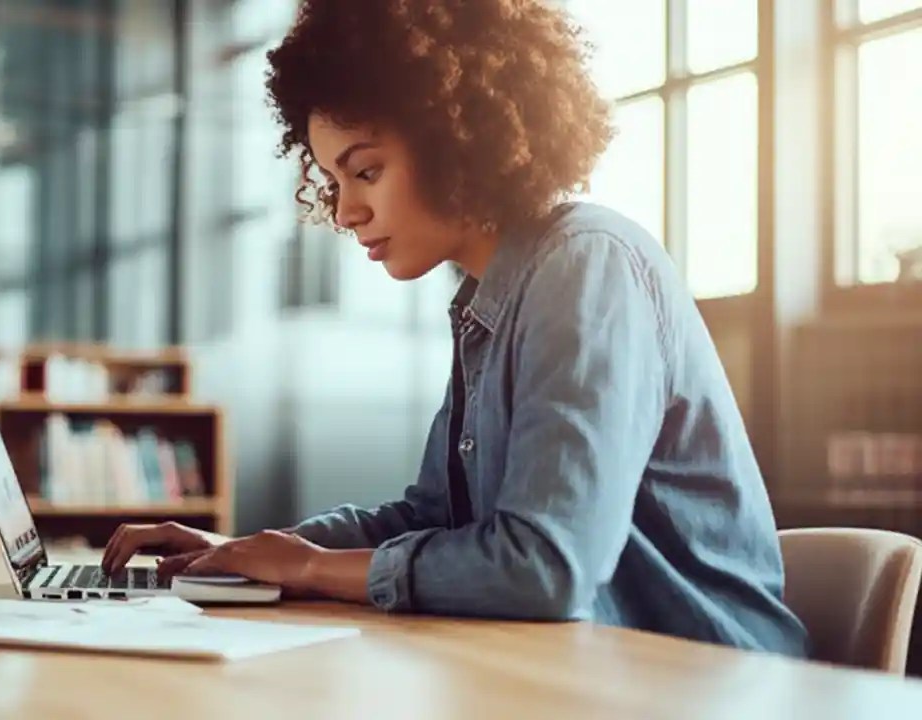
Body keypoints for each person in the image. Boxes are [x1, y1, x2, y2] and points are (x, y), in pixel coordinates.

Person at [102, 0, 809, 657]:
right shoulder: (491, 296)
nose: (345, 211)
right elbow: (435, 516)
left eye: (366, 171)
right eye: (332, 182)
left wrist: (313, 567)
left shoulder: (584, 266)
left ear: (457, 138)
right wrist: (245, 553)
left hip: (707, 679)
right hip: (589, 669)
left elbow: (546, 567)